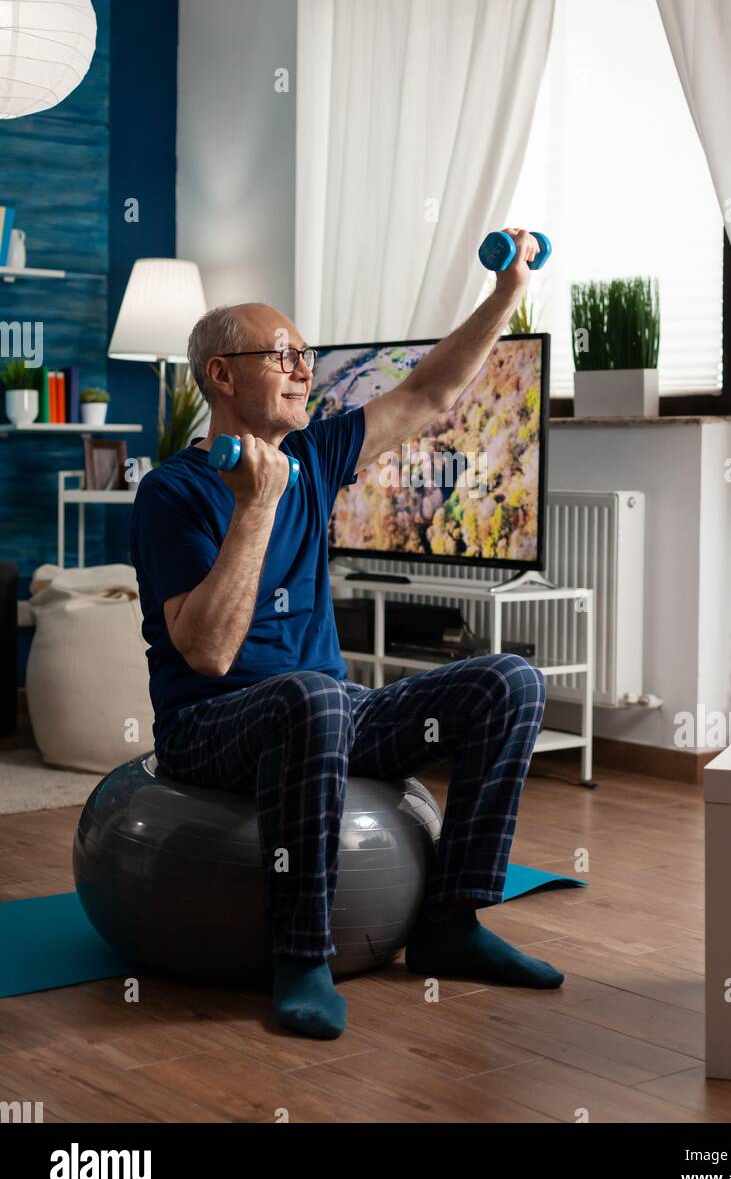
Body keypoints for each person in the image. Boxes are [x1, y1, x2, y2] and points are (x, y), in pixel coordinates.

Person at [130, 228, 564, 1040]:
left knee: (508, 681)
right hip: (211, 727)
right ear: (222, 374)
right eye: (284, 353)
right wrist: (255, 505)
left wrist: (507, 294)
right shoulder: (172, 493)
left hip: (325, 712)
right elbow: (209, 652)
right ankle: (301, 956)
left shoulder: (316, 454)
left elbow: (431, 395)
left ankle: (452, 922)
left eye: (306, 353)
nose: (306, 368)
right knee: (312, 699)